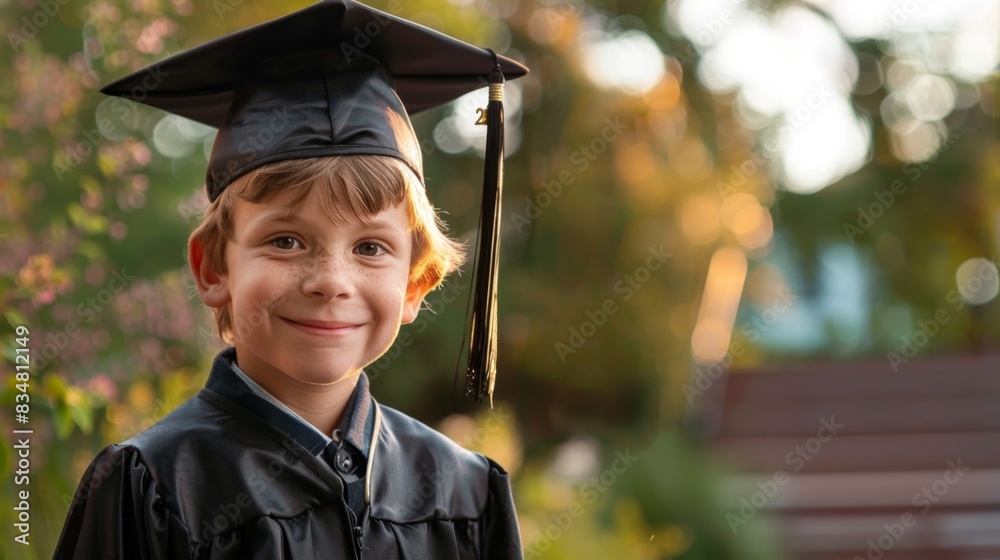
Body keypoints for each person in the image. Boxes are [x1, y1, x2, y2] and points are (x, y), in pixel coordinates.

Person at [53, 0, 527, 557]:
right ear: (214, 269)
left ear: (416, 284)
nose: (331, 281)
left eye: (370, 247)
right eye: (285, 241)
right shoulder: (154, 488)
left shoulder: (464, 493)